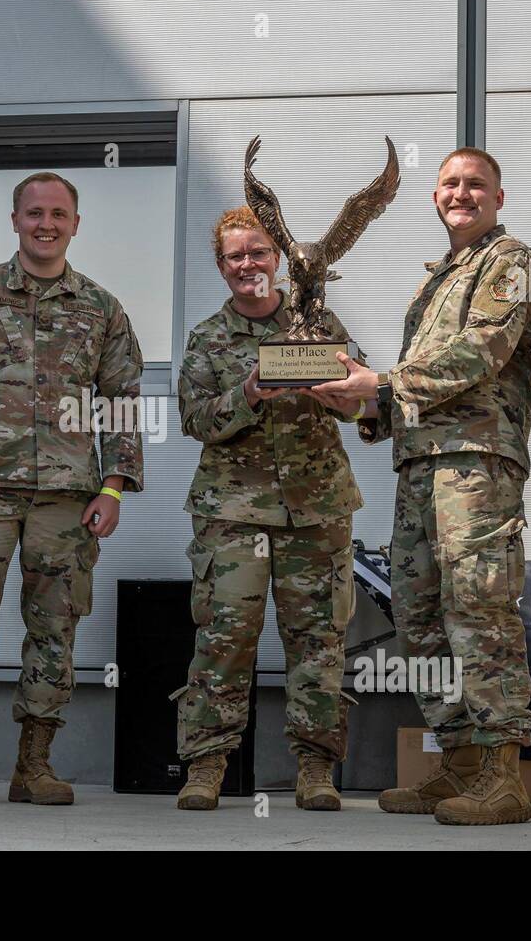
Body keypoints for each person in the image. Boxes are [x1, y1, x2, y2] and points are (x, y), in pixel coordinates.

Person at [320, 147, 531, 825]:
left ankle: (503, 775)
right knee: (420, 620)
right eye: (449, 183)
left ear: (499, 198)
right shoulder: (436, 282)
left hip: (476, 465)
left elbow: (482, 354)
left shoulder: (514, 263)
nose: (461, 193)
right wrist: (362, 406)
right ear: (435, 197)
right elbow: (419, 390)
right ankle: (459, 763)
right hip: (420, 466)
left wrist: (381, 383)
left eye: (475, 184)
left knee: (479, 610)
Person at [0, 171, 144, 807]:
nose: (47, 224)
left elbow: (121, 403)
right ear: (14, 220)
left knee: (56, 625)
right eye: (35, 213)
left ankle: (34, 767)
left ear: (75, 224)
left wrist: (115, 487)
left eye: (59, 214)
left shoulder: (102, 307)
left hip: (68, 497)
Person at [173, 206, 362, 812]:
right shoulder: (206, 338)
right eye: (236, 256)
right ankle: (206, 767)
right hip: (233, 512)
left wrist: (333, 390)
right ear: (222, 265)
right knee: (224, 639)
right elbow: (196, 419)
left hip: (317, 509)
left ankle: (316, 769)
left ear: (279, 259)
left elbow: (364, 408)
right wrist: (249, 391)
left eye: (259, 252)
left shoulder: (319, 322)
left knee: (318, 641)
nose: (248, 264)